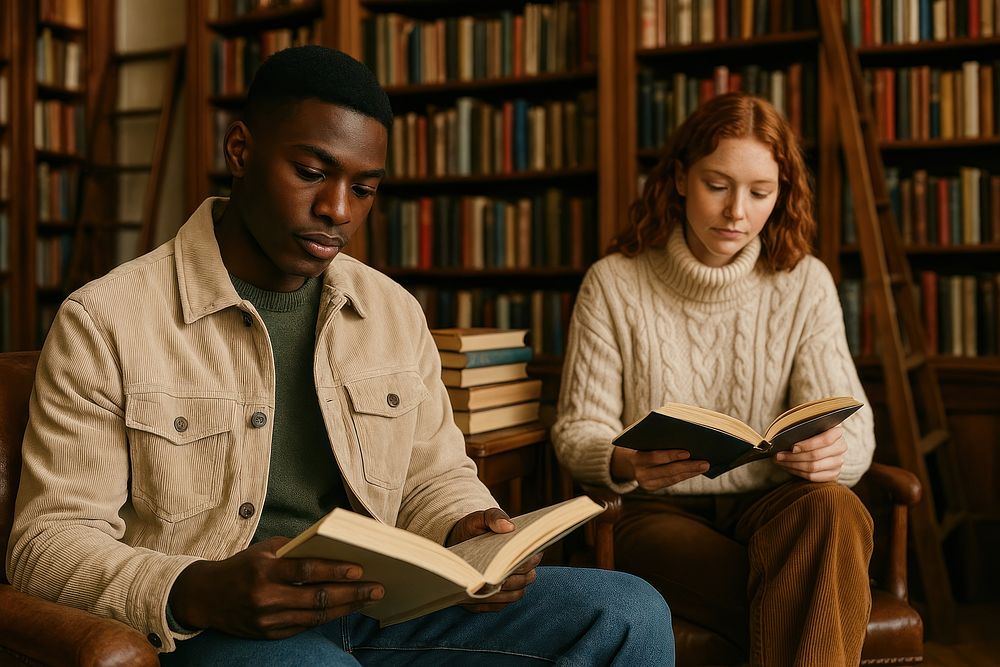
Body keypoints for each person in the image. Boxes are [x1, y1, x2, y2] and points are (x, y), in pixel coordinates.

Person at [7, 46, 674, 665]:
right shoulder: (105, 320)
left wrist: (470, 527)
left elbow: (434, 475)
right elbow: (47, 544)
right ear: (240, 150)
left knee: (628, 611)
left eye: (364, 188)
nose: (336, 210)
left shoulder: (390, 311)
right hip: (220, 626)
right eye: (312, 172)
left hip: (378, 608)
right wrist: (196, 587)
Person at [552, 92, 877, 667]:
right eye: (717, 185)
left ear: (783, 193)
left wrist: (834, 454)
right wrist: (625, 461)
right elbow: (578, 431)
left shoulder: (805, 282)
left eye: (760, 193)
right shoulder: (614, 283)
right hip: (657, 515)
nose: (737, 214)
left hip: (773, 507)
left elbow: (856, 427)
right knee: (811, 588)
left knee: (837, 509)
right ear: (679, 178)